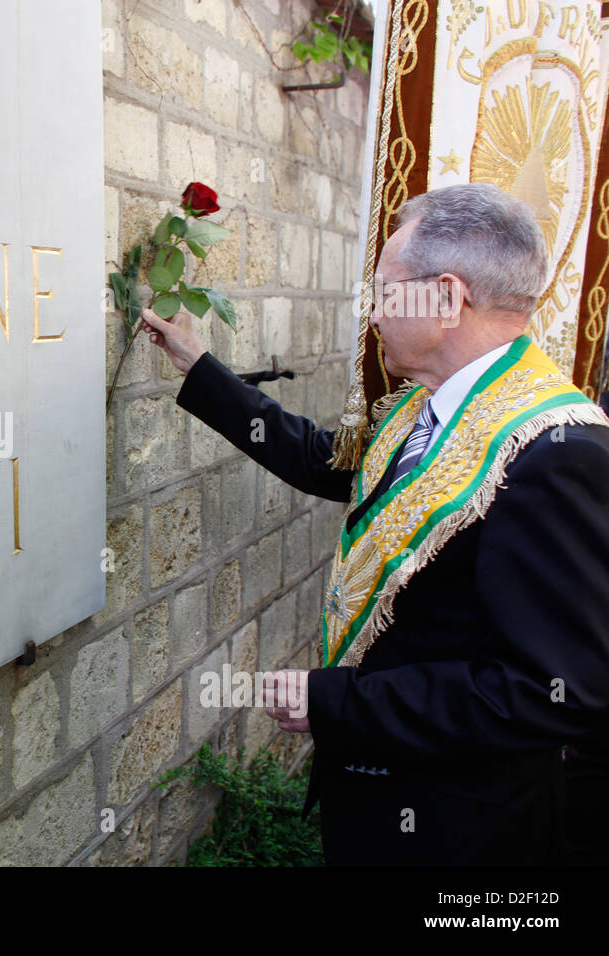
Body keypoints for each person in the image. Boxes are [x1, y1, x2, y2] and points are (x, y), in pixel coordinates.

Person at [141, 183, 609, 866]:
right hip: (379, 798)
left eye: (387, 291)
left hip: (459, 831)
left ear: (447, 299)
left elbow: (547, 692)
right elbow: (321, 460)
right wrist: (196, 365)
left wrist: (340, 704)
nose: (374, 311)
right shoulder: (423, 405)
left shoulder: (555, 452)